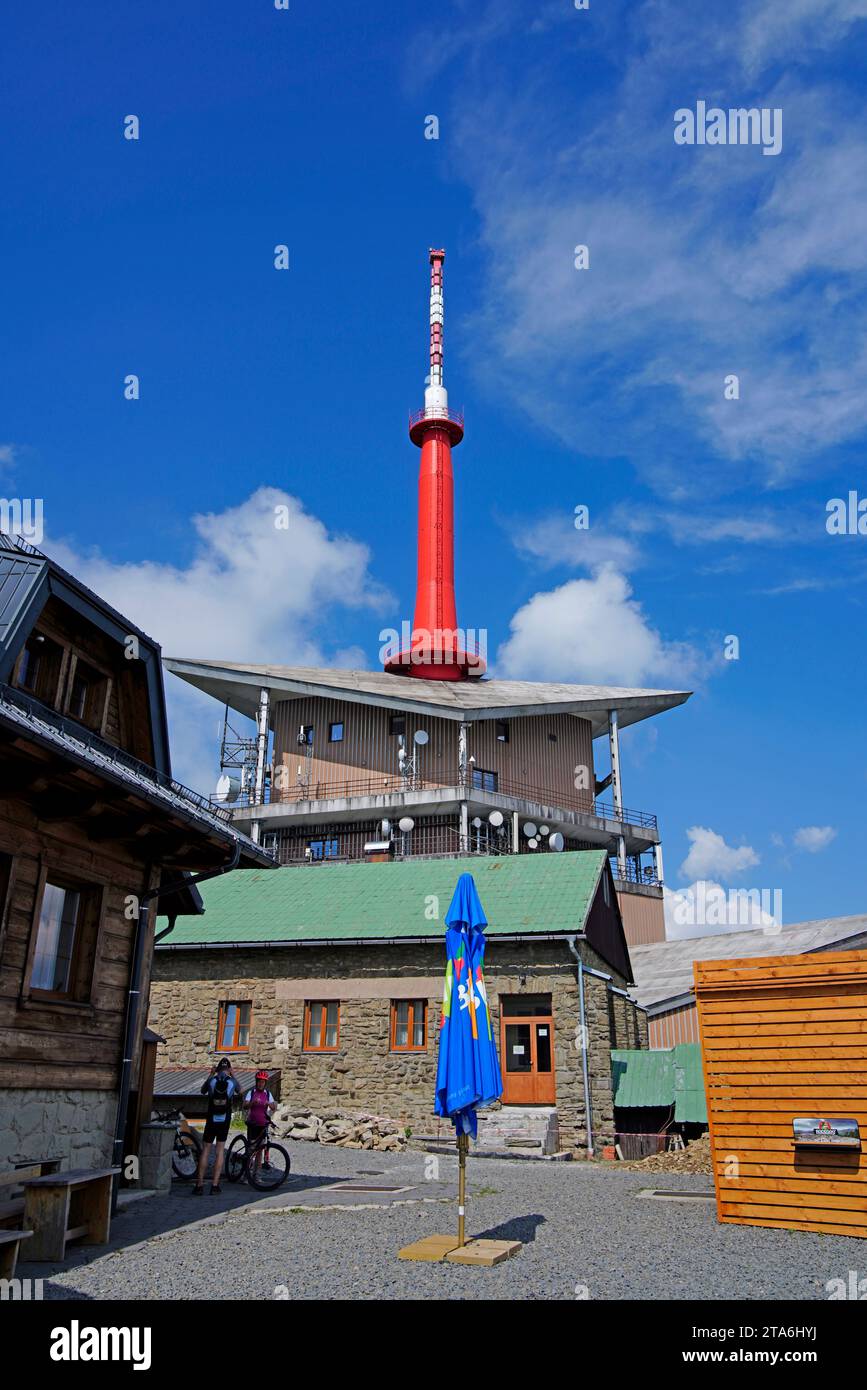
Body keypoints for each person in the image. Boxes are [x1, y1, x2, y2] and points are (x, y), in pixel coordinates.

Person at [193, 1057, 241, 1195]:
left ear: (218, 1068)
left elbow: (202, 1091)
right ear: (229, 1069)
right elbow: (241, 1090)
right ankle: (215, 1185)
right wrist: (234, 1075)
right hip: (224, 1119)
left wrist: (211, 1073)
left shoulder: (212, 1080)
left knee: (206, 1149)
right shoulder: (231, 1082)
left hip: (211, 1118)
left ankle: (199, 1184)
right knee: (220, 1151)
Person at [242, 1070, 277, 1180]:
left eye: (263, 1082)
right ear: (256, 1082)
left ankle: (256, 1175)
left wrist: (269, 1104)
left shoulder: (268, 1094)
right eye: (259, 1082)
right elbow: (245, 1106)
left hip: (263, 1125)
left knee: (260, 1151)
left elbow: (274, 1107)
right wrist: (252, 1103)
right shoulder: (251, 1092)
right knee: (251, 1149)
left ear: (265, 1083)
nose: (261, 1084)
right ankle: (245, 1174)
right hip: (253, 1124)